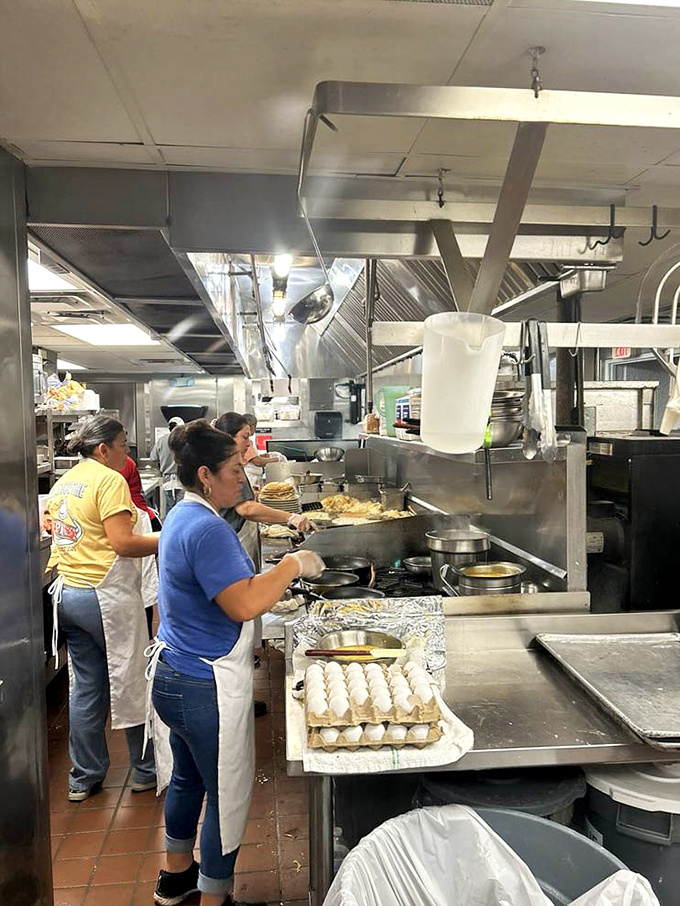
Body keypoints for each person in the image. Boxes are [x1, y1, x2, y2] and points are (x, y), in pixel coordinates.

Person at [149, 420, 324, 906]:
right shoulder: (208, 530)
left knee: (187, 778)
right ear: (205, 474)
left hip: (172, 673)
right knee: (226, 793)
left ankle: (175, 876)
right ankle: (214, 897)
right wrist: (293, 566)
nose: (242, 479)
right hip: (205, 684)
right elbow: (244, 604)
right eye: (233, 470)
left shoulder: (182, 516)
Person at [45, 415, 159, 801]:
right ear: (103, 449)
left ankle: (84, 776)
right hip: (104, 596)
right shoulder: (108, 480)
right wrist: (171, 538)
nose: (127, 454)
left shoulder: (64, 484)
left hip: (70, 595)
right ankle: (144, 771)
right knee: (130, 678)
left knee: (87, 687)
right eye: (124, 446)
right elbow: (123, 544)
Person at [120, 454, 159, 638]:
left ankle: (146, 638)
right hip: (132, 521)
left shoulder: (122, 464)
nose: (125, 449)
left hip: (136, 522)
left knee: (143, 586)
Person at [150, 416, 185, 514]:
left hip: (166, 480)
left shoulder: (161, 440)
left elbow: (153, 457)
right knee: (181, 509)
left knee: (169, 509)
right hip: (181, 479)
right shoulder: (184, 440)